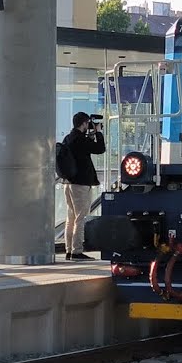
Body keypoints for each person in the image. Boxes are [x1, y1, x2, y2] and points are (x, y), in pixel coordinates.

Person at [62, 111, 105, 261]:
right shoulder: (80, 139)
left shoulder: (68, 138)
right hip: (80, 184)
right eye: (88, 123)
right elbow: (100, 149)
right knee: (80, 218)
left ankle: (69, 250)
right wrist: (98, 133)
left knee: (71, 218)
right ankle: (77, 251)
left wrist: (91, 136)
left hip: (68, 183)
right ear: (84, 124)